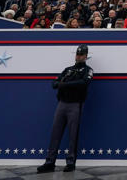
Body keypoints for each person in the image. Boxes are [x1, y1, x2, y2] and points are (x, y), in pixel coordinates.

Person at [37, 44, 93, 173]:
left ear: (86, 56)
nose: (79, 56)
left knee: (73, 134)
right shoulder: (67, 70)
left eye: (81, 55)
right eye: (77, 54)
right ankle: (50, 162)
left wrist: (65, 84)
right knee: (55, 133)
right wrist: (64, 84)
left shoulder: (88, 70)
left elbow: (84, 83)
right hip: (62, 104)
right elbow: (54, 84)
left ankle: (70, 162)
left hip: (75, 104)